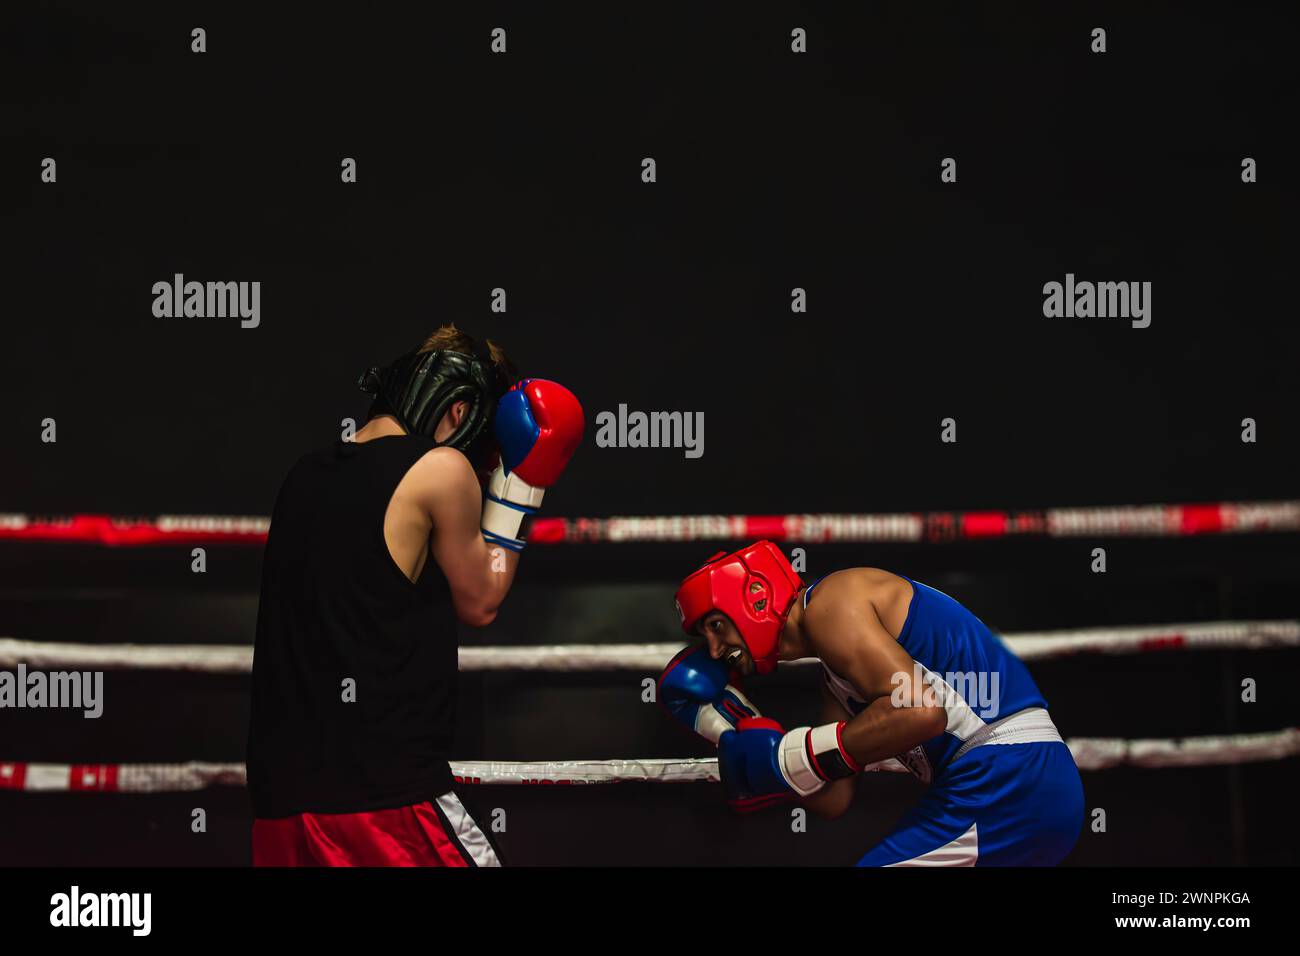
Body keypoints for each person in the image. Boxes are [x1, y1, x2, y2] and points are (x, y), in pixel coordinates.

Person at [247, 324, 583, 866]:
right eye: (486, 441)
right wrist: (524, 483)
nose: (485, 461)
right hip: (383, 803)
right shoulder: (441, 469)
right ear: (459, 410)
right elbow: (482, 599)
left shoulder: (303, 474)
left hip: (279, 809)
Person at [660, 540, 1084, 866]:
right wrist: (738, 727)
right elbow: (832, 799)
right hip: (1018, 784)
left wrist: (789, 756)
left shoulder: (833, 602)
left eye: (716, 626)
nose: (714, 651)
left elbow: (919, 711)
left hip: (1007, 776)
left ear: (754, 596)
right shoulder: (837, 675)